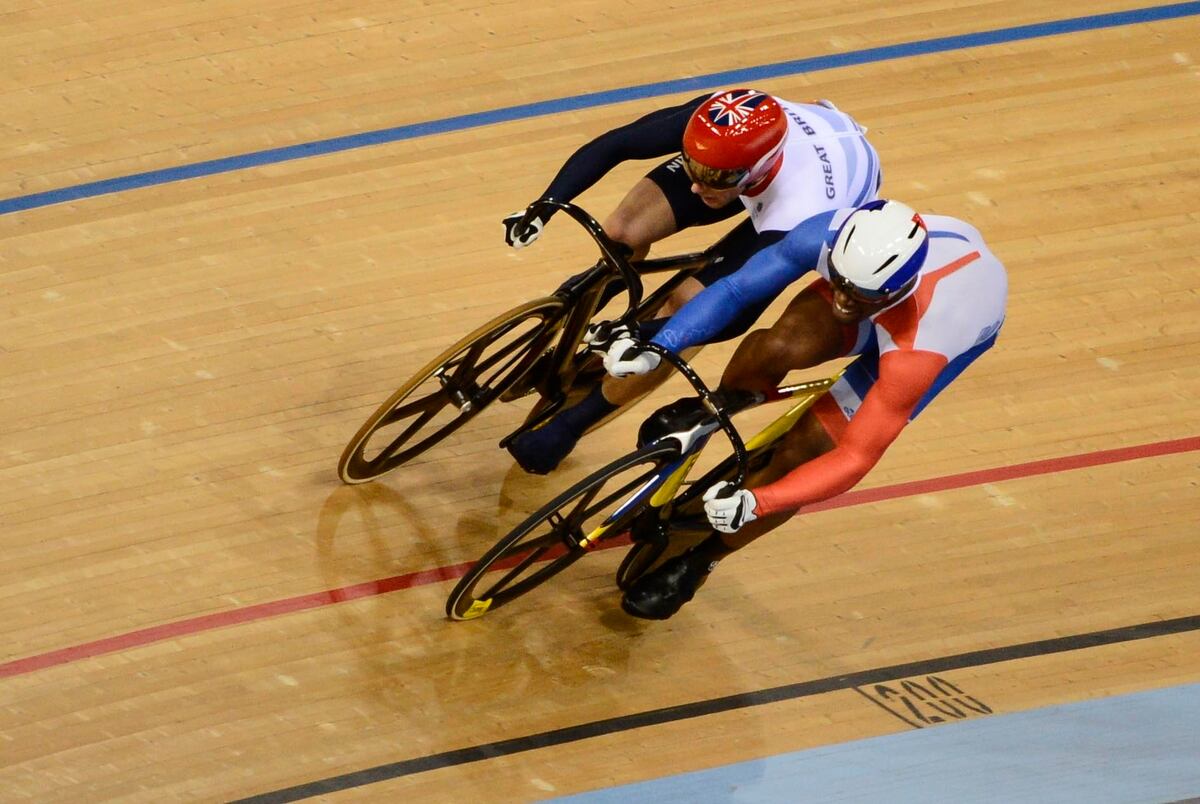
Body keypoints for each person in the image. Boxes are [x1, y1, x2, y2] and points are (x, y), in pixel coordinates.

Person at [600, 199, 1008, 619]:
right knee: (779, 345)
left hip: (925, 327)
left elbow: (855, 457)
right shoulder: (827, 237)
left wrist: (759, 501)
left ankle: (700, 560)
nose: (843, 302)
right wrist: (661, 346)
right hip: (883, 293)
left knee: (803, 453)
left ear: (892, 289)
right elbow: (738, 288)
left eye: (858, 294)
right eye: (840, 282)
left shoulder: (922, 347)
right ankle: (715, 407)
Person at [503, 88, 882, 474]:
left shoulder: (802, 211)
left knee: (688, 309)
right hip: (753, 162)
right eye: (693, 168)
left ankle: (571, 425)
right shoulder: (716, 122)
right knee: (621, 232)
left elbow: (736, 306)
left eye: (713, 178)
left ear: (757, 168)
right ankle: (599, 290)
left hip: (813, 198)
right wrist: (545, 205)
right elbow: (618, 143)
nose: (697, 187)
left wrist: (652, 333)